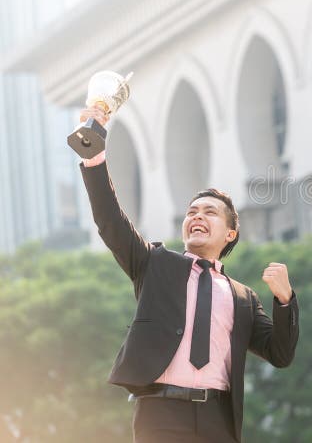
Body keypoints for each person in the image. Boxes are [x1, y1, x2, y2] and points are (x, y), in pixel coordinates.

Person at [77, 106, 300, 443]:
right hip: (160, 414)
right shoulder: (155, 264)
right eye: (192, 211)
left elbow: (280, 354)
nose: (197, 216)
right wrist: (93, 153)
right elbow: (110, 220)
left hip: (218, 419)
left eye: (210, 212)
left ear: (230, 233)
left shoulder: (243, 297)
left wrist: (285, 300)